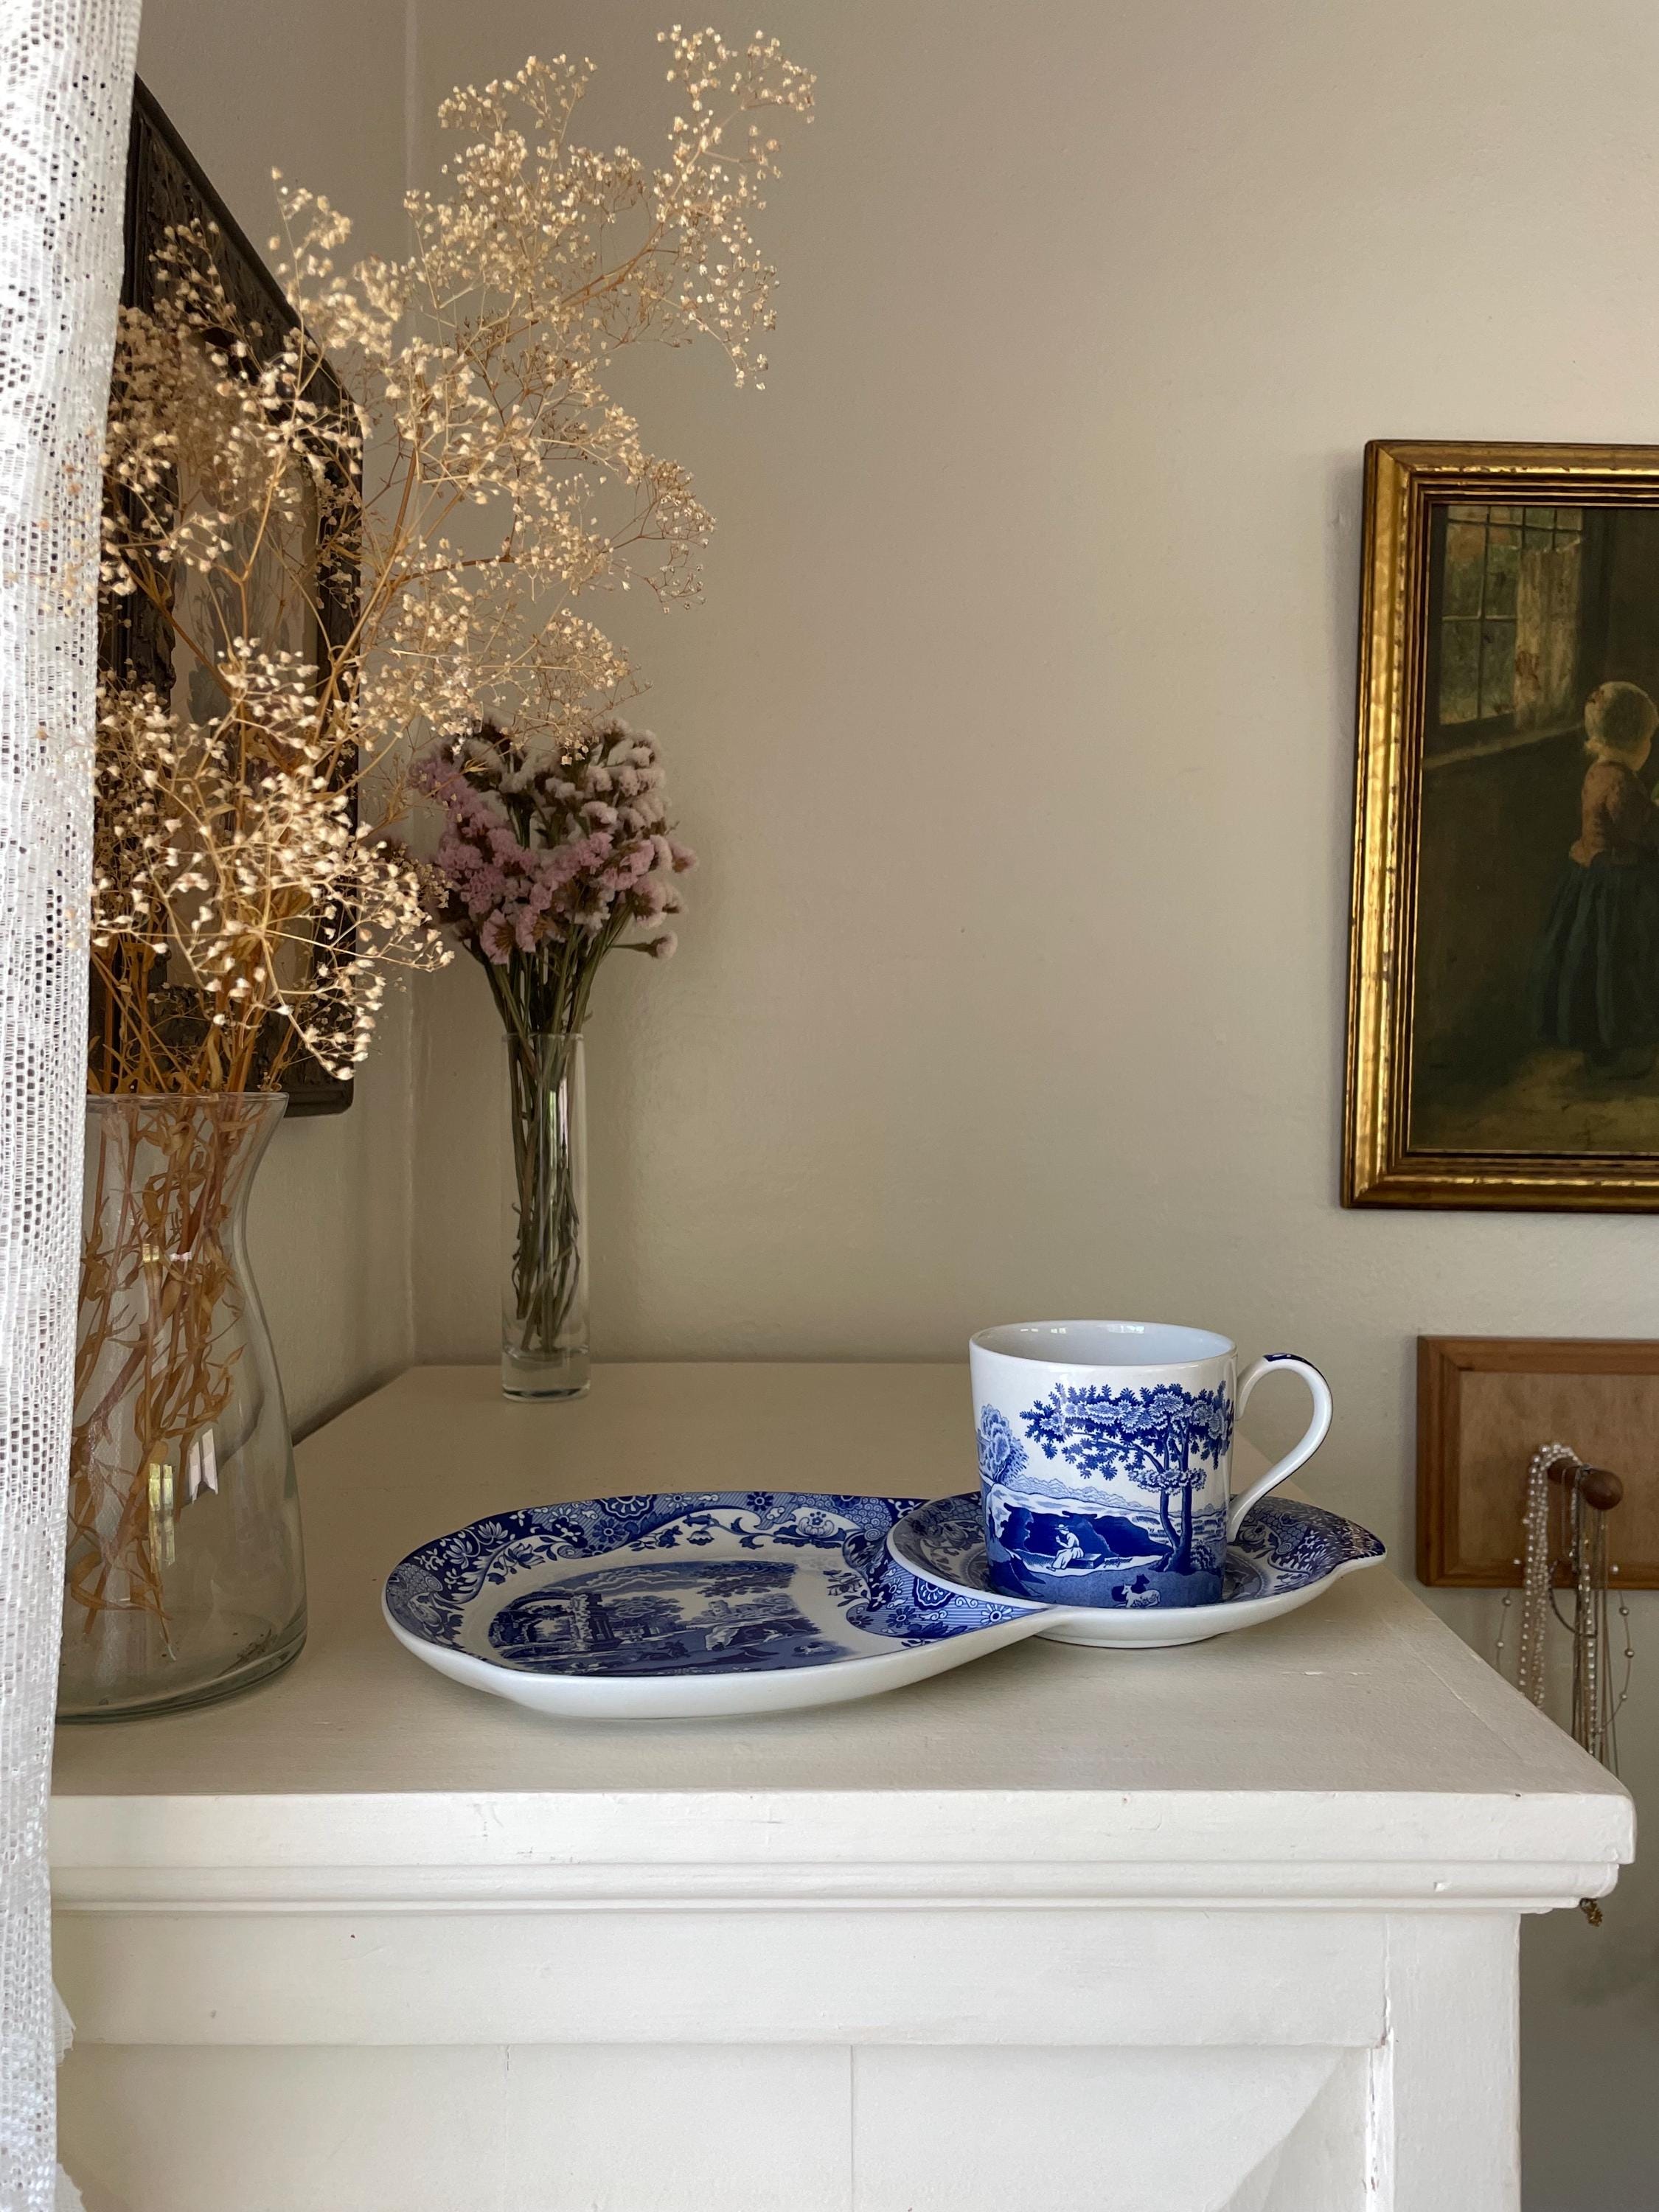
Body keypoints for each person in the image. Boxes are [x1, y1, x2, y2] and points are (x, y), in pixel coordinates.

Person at [1533, 681, 1659, 1071]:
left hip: (1588, 878)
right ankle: (1623, 1046)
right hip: (1617, 888)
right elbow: (1645, 831)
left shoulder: (1596, 772)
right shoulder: (1622, 784)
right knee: (1621, 965)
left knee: (1591, 964)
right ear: (1634, 741)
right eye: (1648, 738)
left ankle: (1600, 1045)